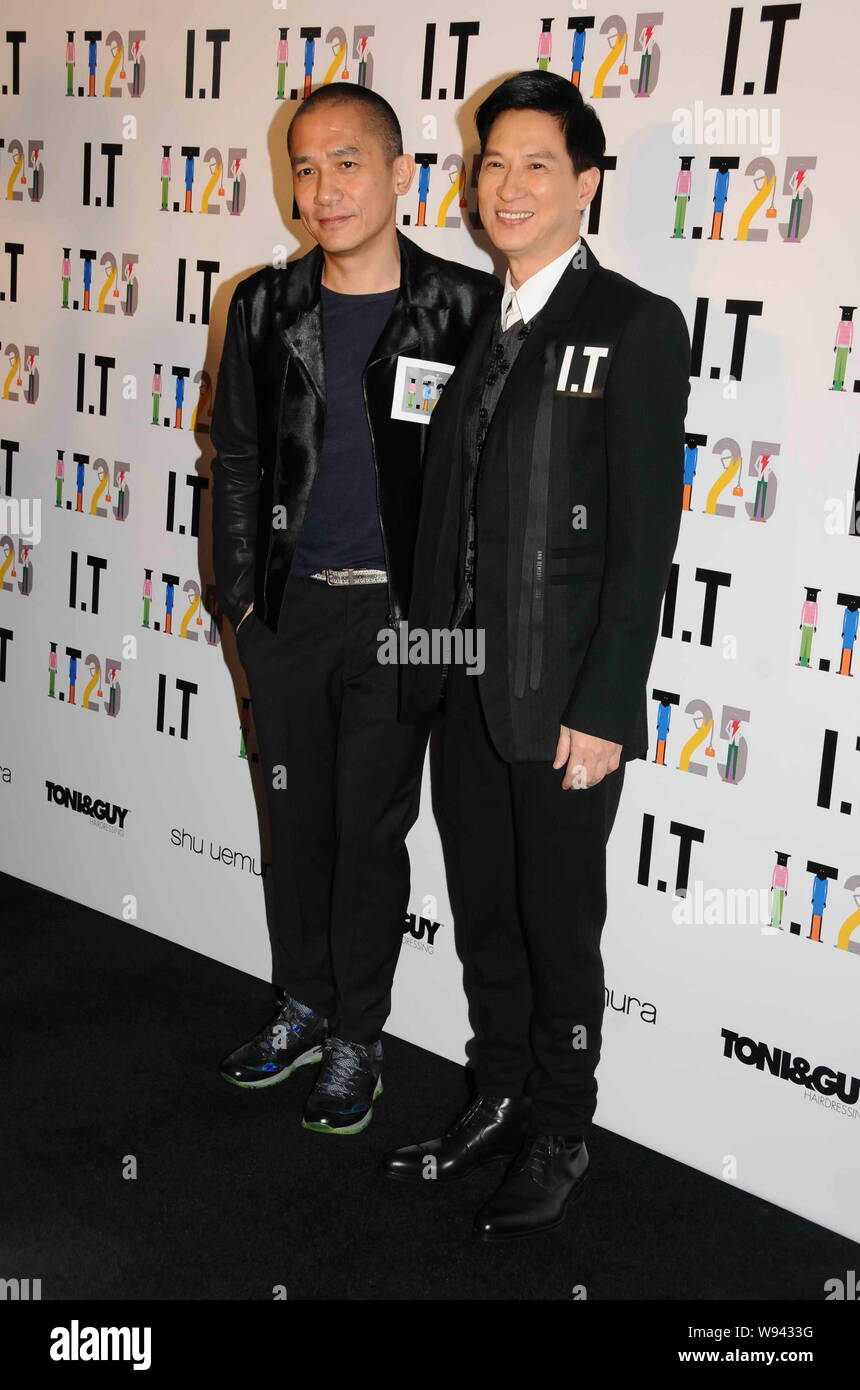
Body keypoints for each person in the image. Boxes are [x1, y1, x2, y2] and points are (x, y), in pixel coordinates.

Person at [383, 70, 691, 1238]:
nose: (504, 187)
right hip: (461, 684)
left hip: (562, 698)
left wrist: (605, 705)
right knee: (482, 911)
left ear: (587, 185)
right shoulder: (473, 321)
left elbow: (640, 541)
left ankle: (561, 1122)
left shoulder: (633, 326)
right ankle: (496, 1088)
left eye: (534, 167)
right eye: (490, 163)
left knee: (557, 920)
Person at [210, 82, 498, 1135]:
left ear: (395, 174)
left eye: (343, 163)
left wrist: (455, 625)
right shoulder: (261, 305)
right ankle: (300, 1005)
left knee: (369, 834)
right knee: (294, 822)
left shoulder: (464, 308)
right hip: (287, 619)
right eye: (303, 165)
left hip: (402, 624)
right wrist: (241, 606)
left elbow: (487, 486)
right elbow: (235, 460)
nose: (319, 188)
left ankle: (357, 1038)